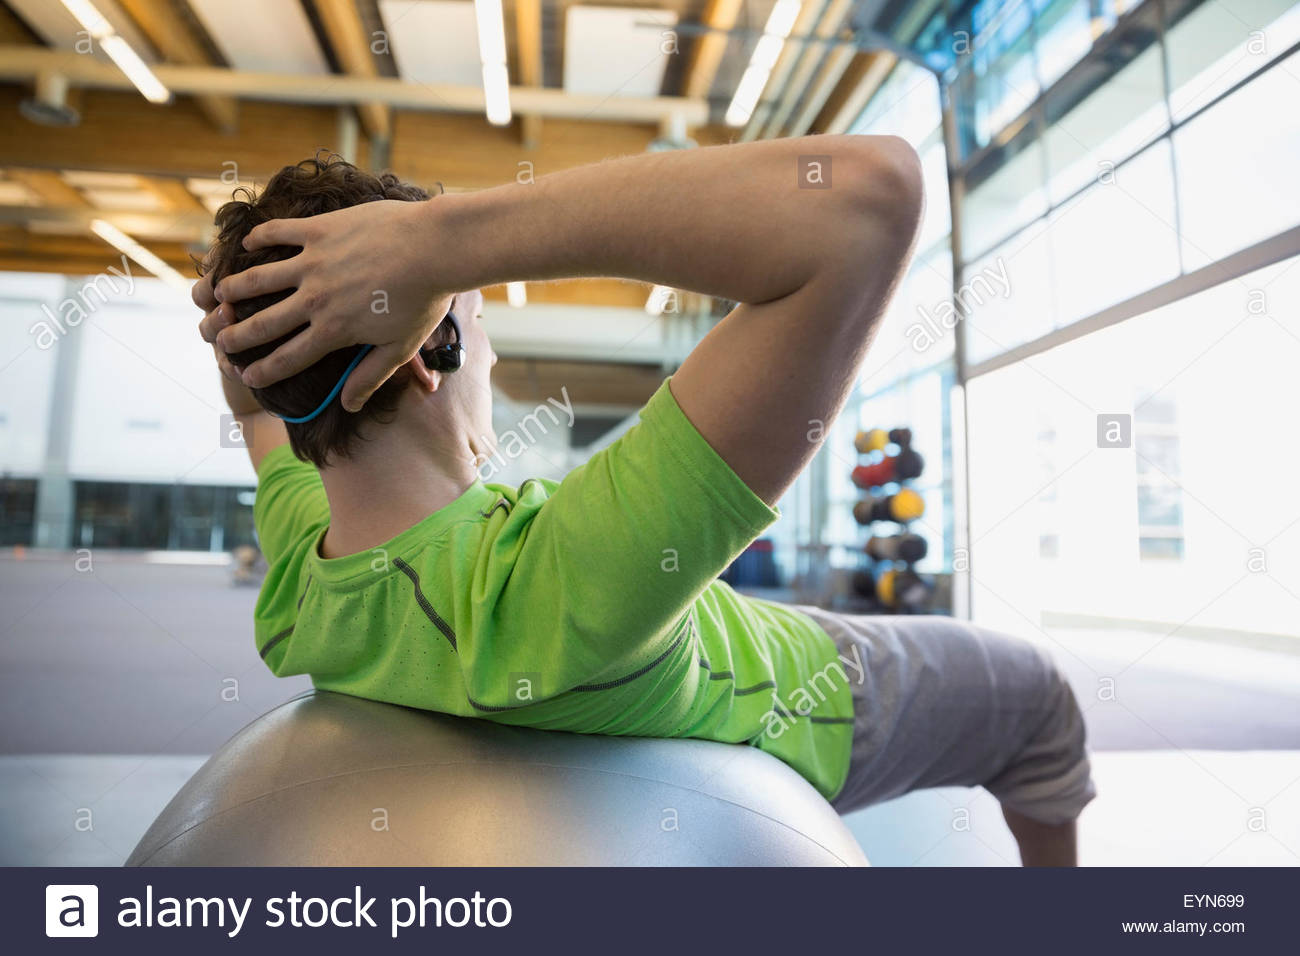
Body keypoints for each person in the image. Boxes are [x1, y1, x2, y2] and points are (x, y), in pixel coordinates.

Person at [196, 140, 1095, 866]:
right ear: (427, 355)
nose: (498, 361)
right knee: (1043, 699)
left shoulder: (305, 585)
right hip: (820, 690)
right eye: (477, 318)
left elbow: (256, 415)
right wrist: (440, 243)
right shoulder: (542, 584)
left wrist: (242, 321)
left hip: (713, 632)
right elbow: (872, 192)